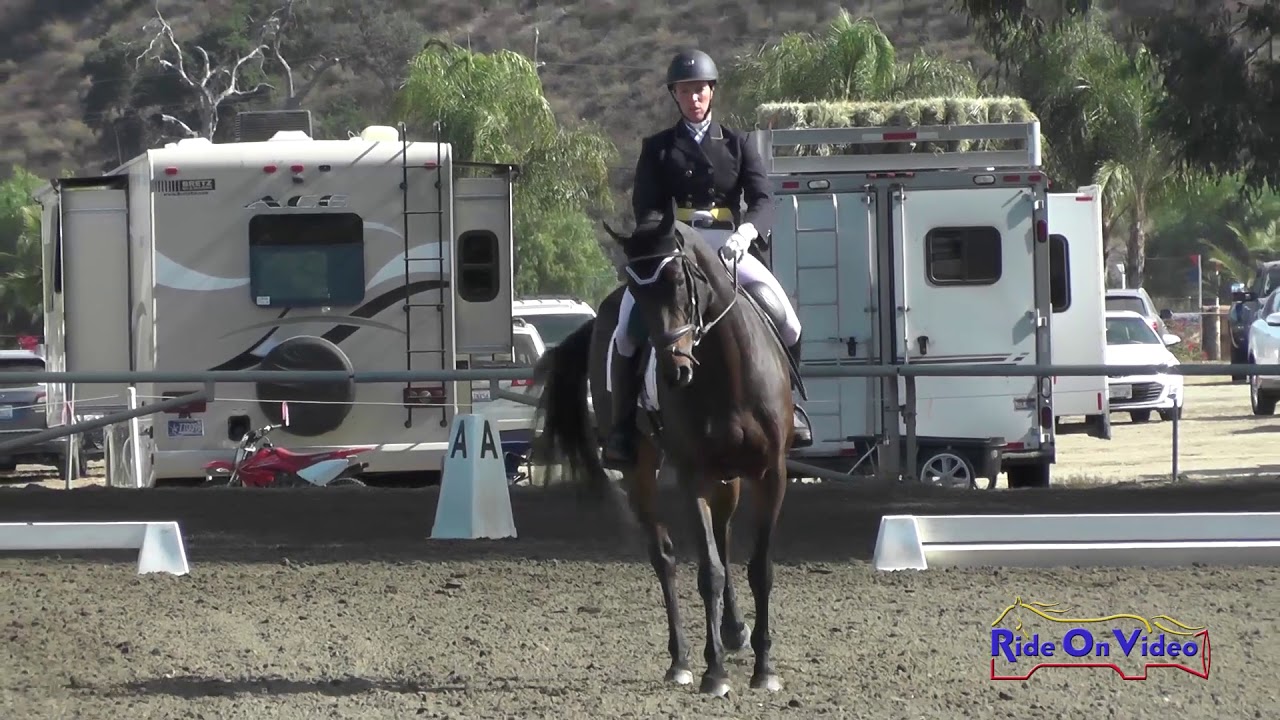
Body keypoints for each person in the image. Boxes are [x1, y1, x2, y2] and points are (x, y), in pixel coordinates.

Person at [602, 48, 812, 469]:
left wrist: (747, 232)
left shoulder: (738, 144)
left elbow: (762, 199)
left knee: (788, 320)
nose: (694, 98)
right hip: (674, 249)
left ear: (711, 93)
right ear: (675, 96)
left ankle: (795, 408)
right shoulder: (658, 149)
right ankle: (622, 425)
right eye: (685, 91)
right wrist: (666, 238)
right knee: (625, 329)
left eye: (700, 90)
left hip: (729, 248)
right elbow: (647, 208)